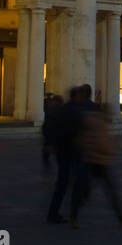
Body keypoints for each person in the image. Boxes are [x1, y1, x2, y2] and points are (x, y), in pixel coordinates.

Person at [70, 88, 122, 228]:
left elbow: (103, 140)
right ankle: (74, 215)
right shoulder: (92, 118)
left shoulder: (98, 120)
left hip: (99, 159)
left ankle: (120, 215)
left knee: (107, 188)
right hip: (92, 159)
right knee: (92, 188)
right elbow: (87, 138)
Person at [43, 91, 73, 222]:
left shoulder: (53, 113)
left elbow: (46, 129)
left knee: (64, 180)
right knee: (64, 181)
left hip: (61, 150)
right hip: (64, 150)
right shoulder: (59, 114)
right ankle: (55, 213)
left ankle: (55, 211)